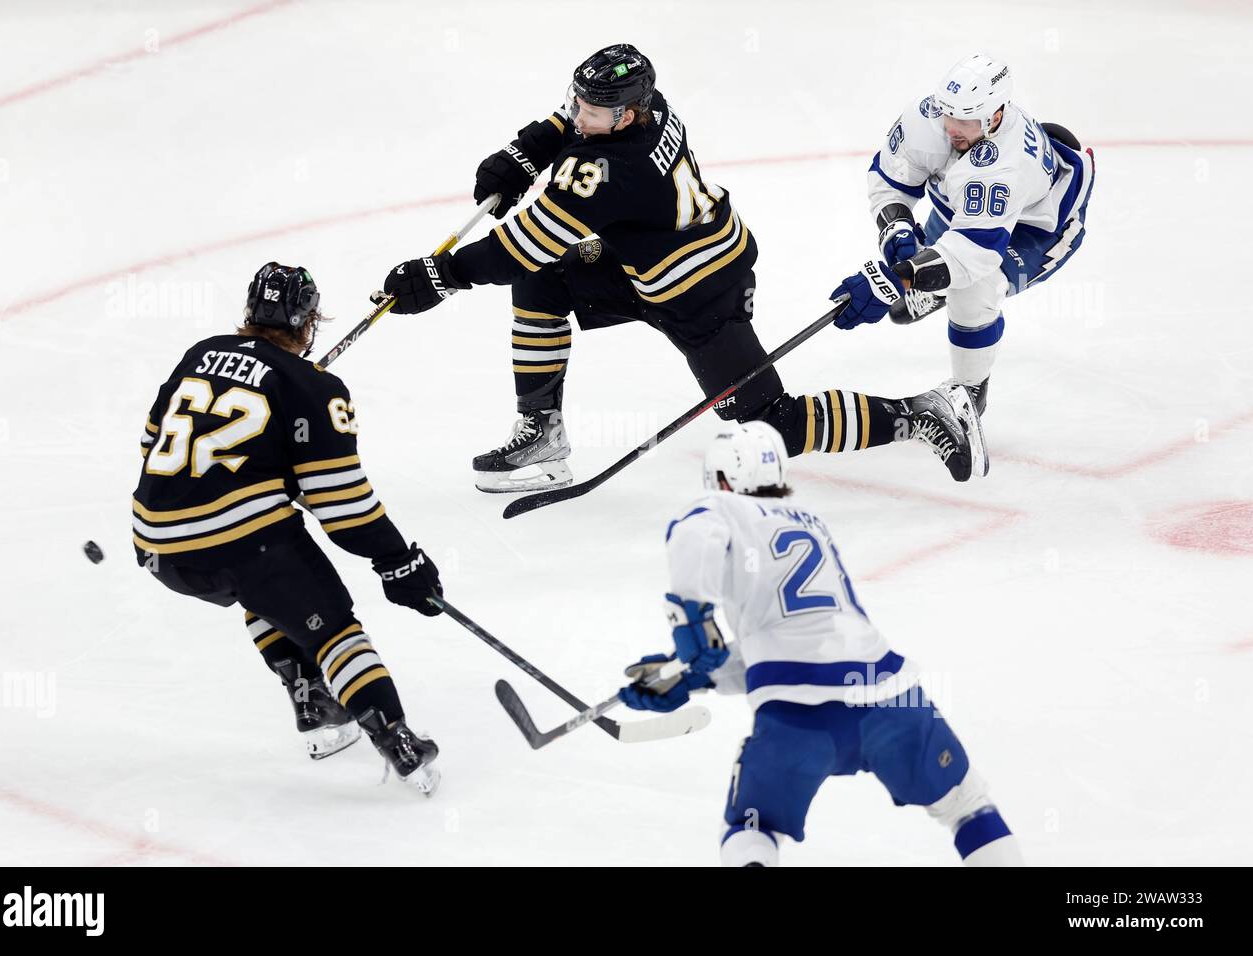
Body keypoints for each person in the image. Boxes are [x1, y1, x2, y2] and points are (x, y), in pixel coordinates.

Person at [381, 44, 986, 489]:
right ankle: (542, 430)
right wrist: (520, 154)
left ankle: (919, 414)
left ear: (625, 116)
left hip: (701, 293)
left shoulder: (602, 173)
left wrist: (438, 277)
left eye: (594, 111)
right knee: (544, 279)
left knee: (766, 423)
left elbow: (520, 245)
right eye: (580, 102)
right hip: (650, 265)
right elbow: (567, 125)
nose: (578, 114)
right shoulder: (652, 108)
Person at [618, 421, 1023, 866]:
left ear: (721, 479)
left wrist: (690, 616)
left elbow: (695, 534)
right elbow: (792, 641)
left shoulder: (720, 508)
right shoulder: (812, 524)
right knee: (967, 806)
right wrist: (696, 677)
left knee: (753, 829)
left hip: (799, 714)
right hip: (889, 694)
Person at [133, 262, 443, 794]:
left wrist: (269, 464)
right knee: (332, 628)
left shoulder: (199, 353)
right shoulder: (314, 387)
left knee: (263, 585)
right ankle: (397, 740)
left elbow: (152, 443)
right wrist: (399, 561)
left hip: (157, 543)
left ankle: (317, 705)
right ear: (308, 324)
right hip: (239, 537)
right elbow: (342, 503)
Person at [830, 53, 1095, 417]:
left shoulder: (1004, 165)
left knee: (972, 289)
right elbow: (890, 181)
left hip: (1039, 227)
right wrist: (897, 233)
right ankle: (932, 289)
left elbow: (971, 254)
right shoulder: (931, 119)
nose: (952, 125)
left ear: (995, 116)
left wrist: (901, 278)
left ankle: (969, 395)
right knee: (924, 261)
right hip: (965, 206)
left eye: (966, 119)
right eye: (948, 112)